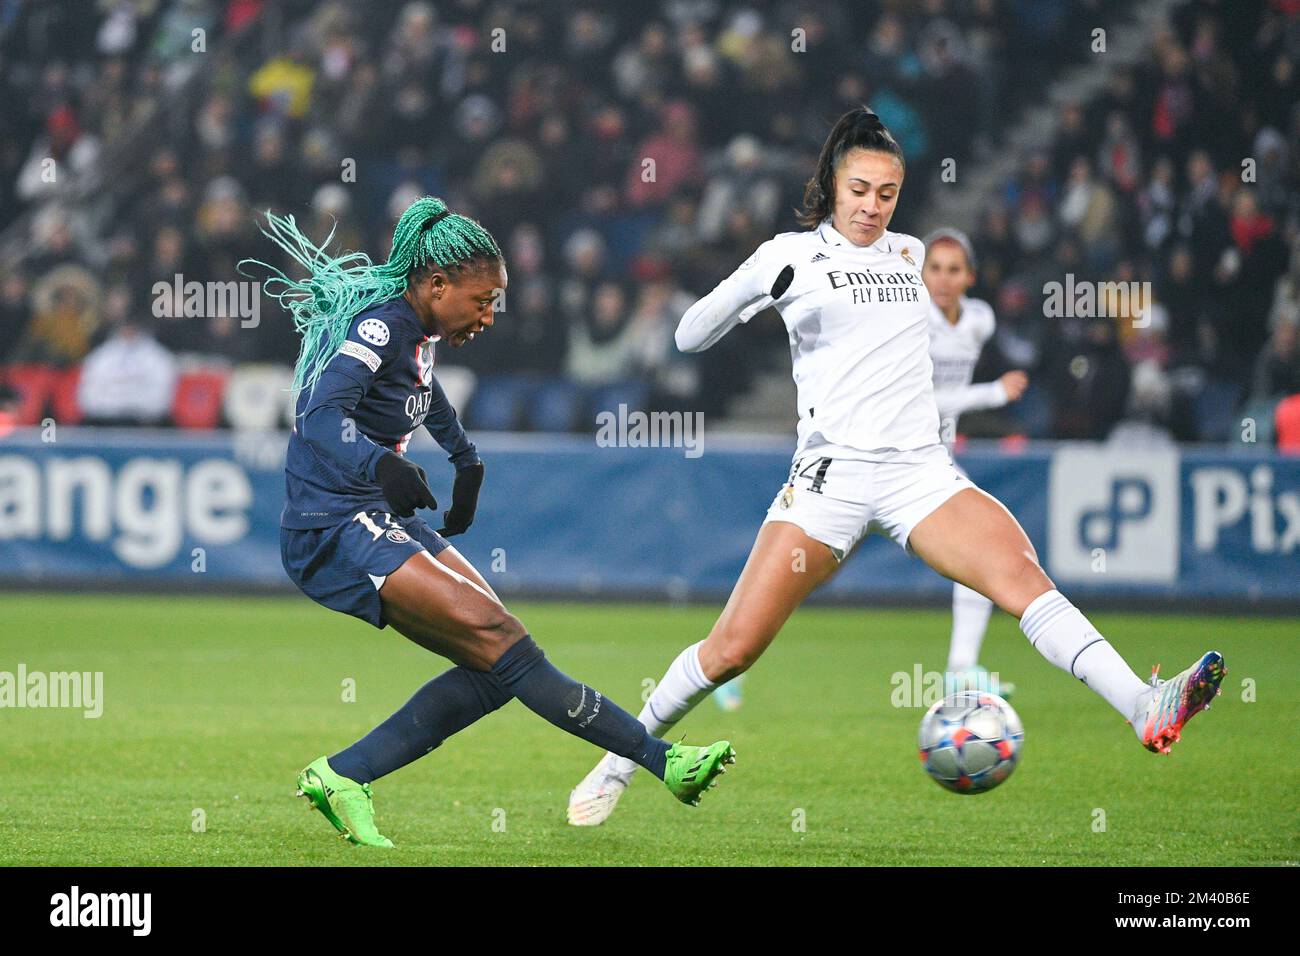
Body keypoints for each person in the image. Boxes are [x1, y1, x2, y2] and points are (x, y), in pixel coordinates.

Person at [567, 107, 1223, 828]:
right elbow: (691, 336)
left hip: (919, 474)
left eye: (886, 192)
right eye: (859, 189)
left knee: (1022, 577)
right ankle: (619, 757)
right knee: (730, 651)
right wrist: (753, 290)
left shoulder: (910, 257)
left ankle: (1143, 705)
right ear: (831, 183)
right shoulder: (790, 254)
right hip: (829, 482)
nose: (872, 206)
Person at [242, 196, 734, 848]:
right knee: (501, 638)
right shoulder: (381, 328)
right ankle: (662, 760)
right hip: (330, 525)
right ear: (437, 285)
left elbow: (421, 388)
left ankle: (344, 774)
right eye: (481, 300)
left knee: (498, 667)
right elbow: (317, 415)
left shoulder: (415, 332)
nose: (489, 314)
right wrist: (378, 464)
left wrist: (464, 458)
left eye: (495, 301)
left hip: (374, 517)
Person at [921, 227, 1028, 698]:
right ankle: (728, 660)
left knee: (983, 550)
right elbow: (921, 400)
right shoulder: (907, 320)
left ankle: (962, 668)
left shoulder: (979, 320)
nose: (942, 279)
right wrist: (993, 393)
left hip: (932, 464)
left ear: (970, 277)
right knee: (804, 569)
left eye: (953, 269)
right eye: (934, 268)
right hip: (883, 460)